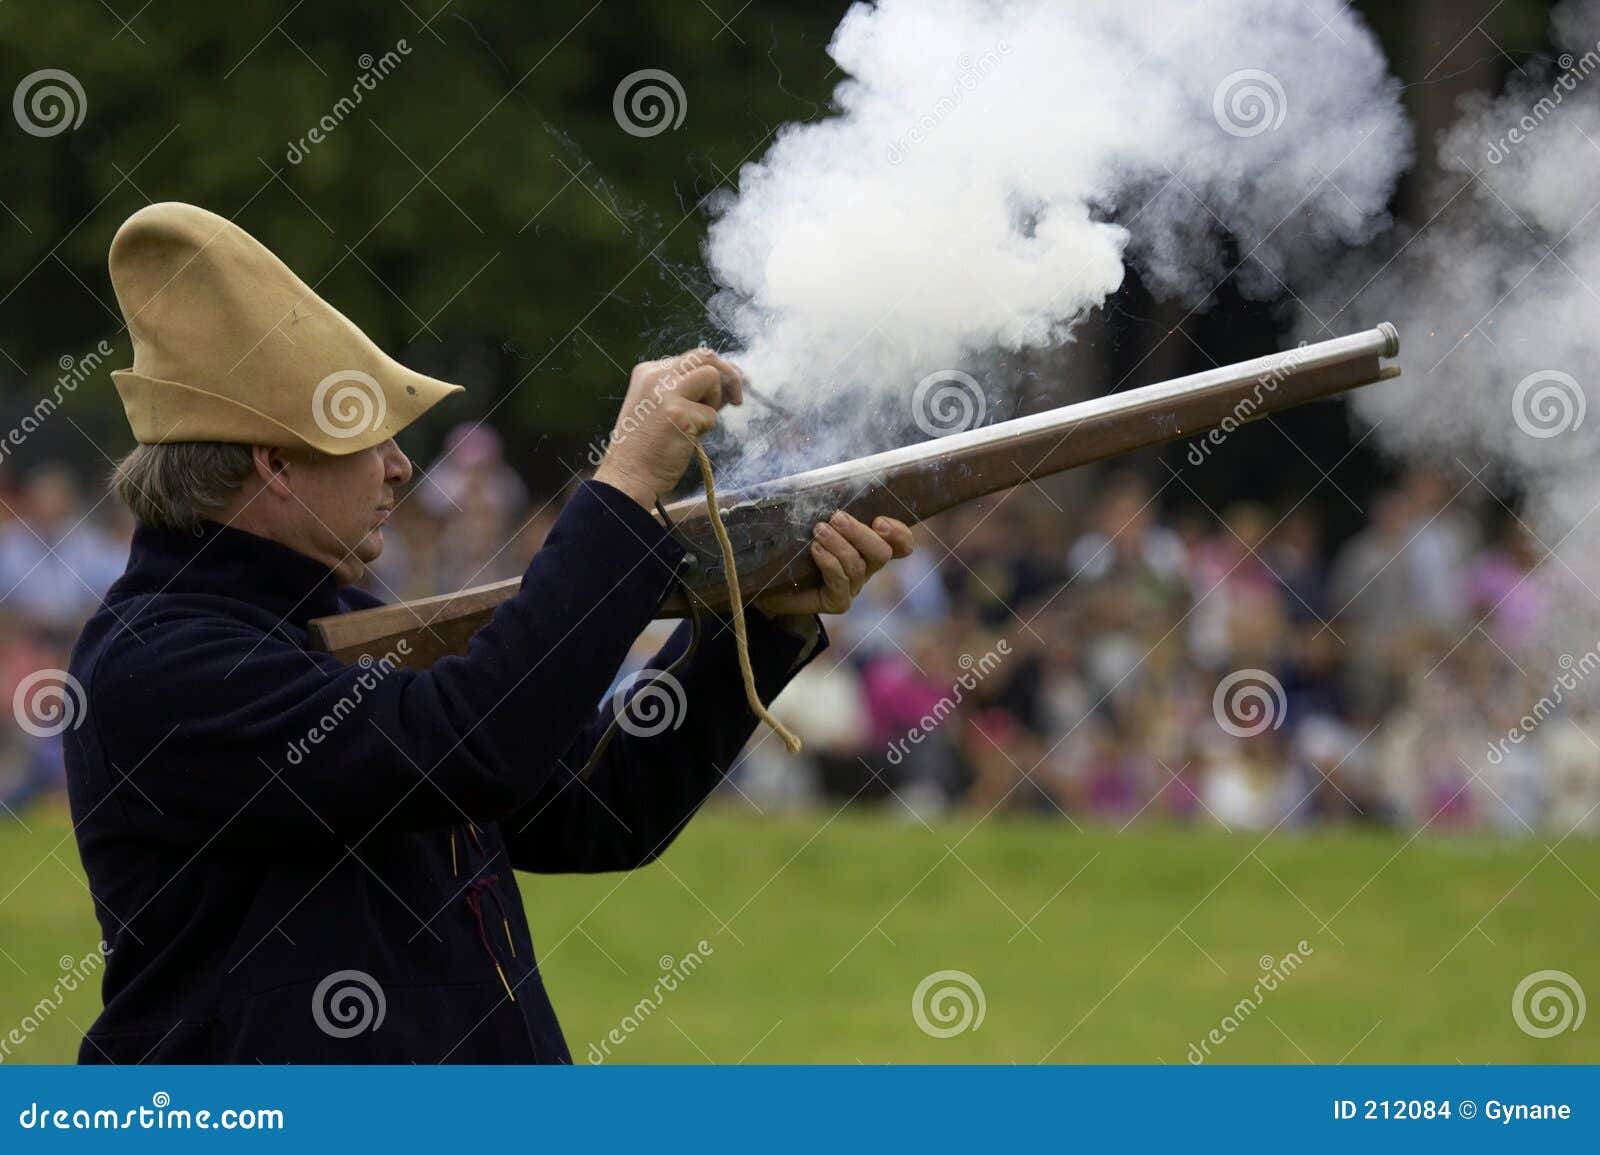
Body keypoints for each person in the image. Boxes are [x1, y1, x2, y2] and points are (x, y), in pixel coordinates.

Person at [63, 202, 914, 1064]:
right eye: (370, 438)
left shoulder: (334, 626)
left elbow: (600, 805)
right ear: (274, 462)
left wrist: (759, 620)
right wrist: (622, 485)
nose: (399, 465)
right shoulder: (159, 662)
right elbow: (476, 744)